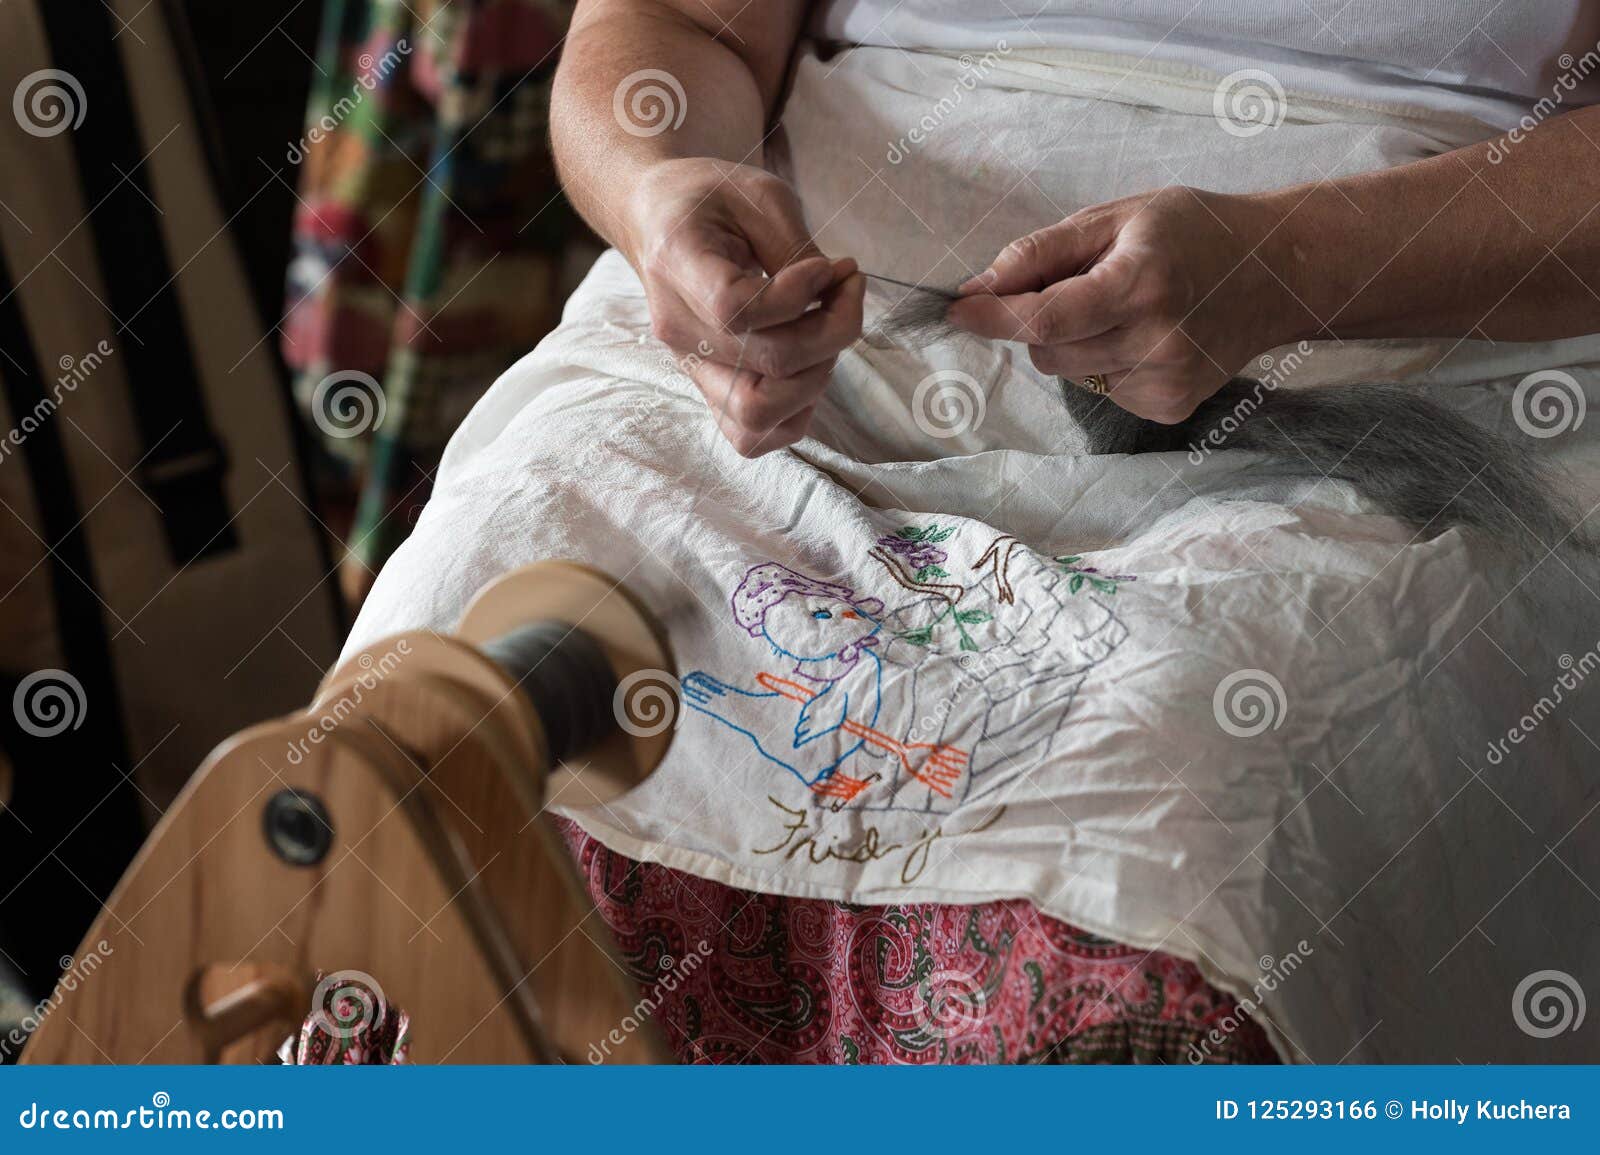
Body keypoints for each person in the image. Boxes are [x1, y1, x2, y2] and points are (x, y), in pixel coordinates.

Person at [551, 0, 1600, 453]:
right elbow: (673, 27)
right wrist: (656, 191)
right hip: (773, 372)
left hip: (1386, 394)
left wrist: (1295, 266)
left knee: (1196, 810)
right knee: (450, 712)